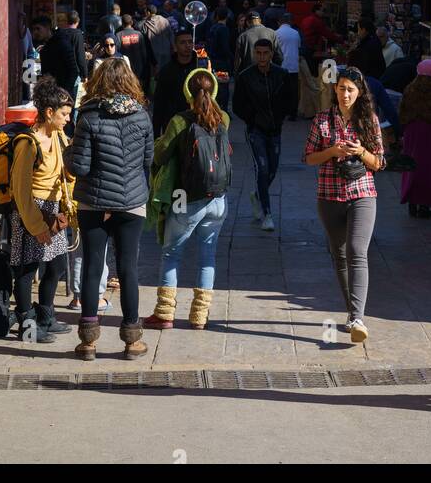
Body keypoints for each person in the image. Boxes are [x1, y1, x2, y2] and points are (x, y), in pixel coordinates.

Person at [64, 57, 154, 361]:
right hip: (131, 203)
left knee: (92, 268)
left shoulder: (88, 117)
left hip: (94, 203)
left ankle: (88, 341)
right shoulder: (142, 116)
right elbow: (147, 161)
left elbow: (80, 166)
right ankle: (131, 339)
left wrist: (67, 152)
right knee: (128, 269)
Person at [303, 66, 385, 344]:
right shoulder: (322, 120)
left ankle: (358, 318)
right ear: (334, 90)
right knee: (339, 255)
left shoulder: (368, 120)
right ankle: (351, 312)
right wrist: (333, 152)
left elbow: (379, 163)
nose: (345, 94)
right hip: (329, 195)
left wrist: (361, 151)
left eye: (350, 89)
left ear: (359, 92)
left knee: (356, 251)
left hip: (362, 193)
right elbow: (309, 158)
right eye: (341, 88)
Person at [145, 68, 231, 331]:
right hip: (218, 199)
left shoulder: (180, 121)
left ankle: (165, 313)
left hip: (185, 197)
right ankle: (199, 317)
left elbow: (159, 156)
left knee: (172, 254)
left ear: (186, 92)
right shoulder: (224, 118)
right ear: (214, 90)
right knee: (208, 256)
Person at [9, 79, 75, 345]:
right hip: (30, 212)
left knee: (57, 265)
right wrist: (35, 226)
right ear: (49, 112)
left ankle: (46, 316)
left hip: (52, 209)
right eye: (64, 114)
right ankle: (26, 326)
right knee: (27, 269)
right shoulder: (27, 143)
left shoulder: (58, 137)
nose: (68, 120)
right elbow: (21, 189)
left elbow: (65, 172)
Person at [232, 39, 289, 231]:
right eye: (259, 53)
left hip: (275, 129)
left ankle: (257, 195)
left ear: (271, 54)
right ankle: (267, 213)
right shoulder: (245, 77)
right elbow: (238, 105)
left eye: (265, 53)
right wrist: (252, 118)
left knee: (273, 169)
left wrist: (282, 115)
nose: (262, 57)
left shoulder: (281, 75)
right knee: (262, 168)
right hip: (256, 130)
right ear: (255, 54)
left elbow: (290, 98)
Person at [398, 58, 431, 218]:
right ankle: (424, 206)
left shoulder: (410, 88)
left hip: (412, 134)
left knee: (411, 167)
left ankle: (411, 201)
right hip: (430, 135)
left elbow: (402, 110)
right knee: (429, 170)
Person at [152, 29, 210, 137]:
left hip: (197, 123)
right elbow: (159, 102)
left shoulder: (200, 67)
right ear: (175, 46)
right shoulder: (166, 71)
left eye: (189, 42)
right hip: (173, 124)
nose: (187, 45)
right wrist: (156, 134)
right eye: (182, 42)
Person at [40, 8, 87, 98]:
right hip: (74, 73)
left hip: (61, 74)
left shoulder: (60, 33)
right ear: (78, 21)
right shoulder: (77, 34)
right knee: (73, 100)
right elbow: (80, 56)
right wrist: (84, 74)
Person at [234, 10, 282, 74]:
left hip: (249, 75)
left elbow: (238, 61)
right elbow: (279, 57)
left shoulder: (243, 36)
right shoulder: (272, 33)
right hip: (268, 74)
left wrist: (237, 75)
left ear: (248, 22)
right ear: (260, 20)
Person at [276, 11, 301, 121]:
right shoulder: (295, 33)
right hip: (294, 65)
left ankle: (282, 110)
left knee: (281, 90)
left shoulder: (276, 33)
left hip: (281, 65)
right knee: (294, 90)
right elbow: (298, 47)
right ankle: (293, 112)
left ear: (279, 22)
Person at [118, 12, 152, 93]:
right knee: (139, 88)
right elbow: (144, 52)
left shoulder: (118, 35)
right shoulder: (139, 34)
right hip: (139, 66)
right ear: (132, 22)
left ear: (122, 23)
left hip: (125, 67)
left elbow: (118, 51)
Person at [140, 3, 175, 73]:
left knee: (155, 74)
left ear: (148, 12)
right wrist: (173, 48)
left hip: (153, 53)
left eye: (145, 12)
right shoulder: (165, 20)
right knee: (166, 72)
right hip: (166, 50)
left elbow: (143, 38)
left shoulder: (146, 23)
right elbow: (171, 35)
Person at [299, 2, 330, 72]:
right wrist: (341, 39)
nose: (323, 13)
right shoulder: (316, 21)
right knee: (313, 70)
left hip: (305, 46)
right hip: (311, 48)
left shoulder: (306, 19)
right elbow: (327, 33)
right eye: (322, 11)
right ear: (317, 11)